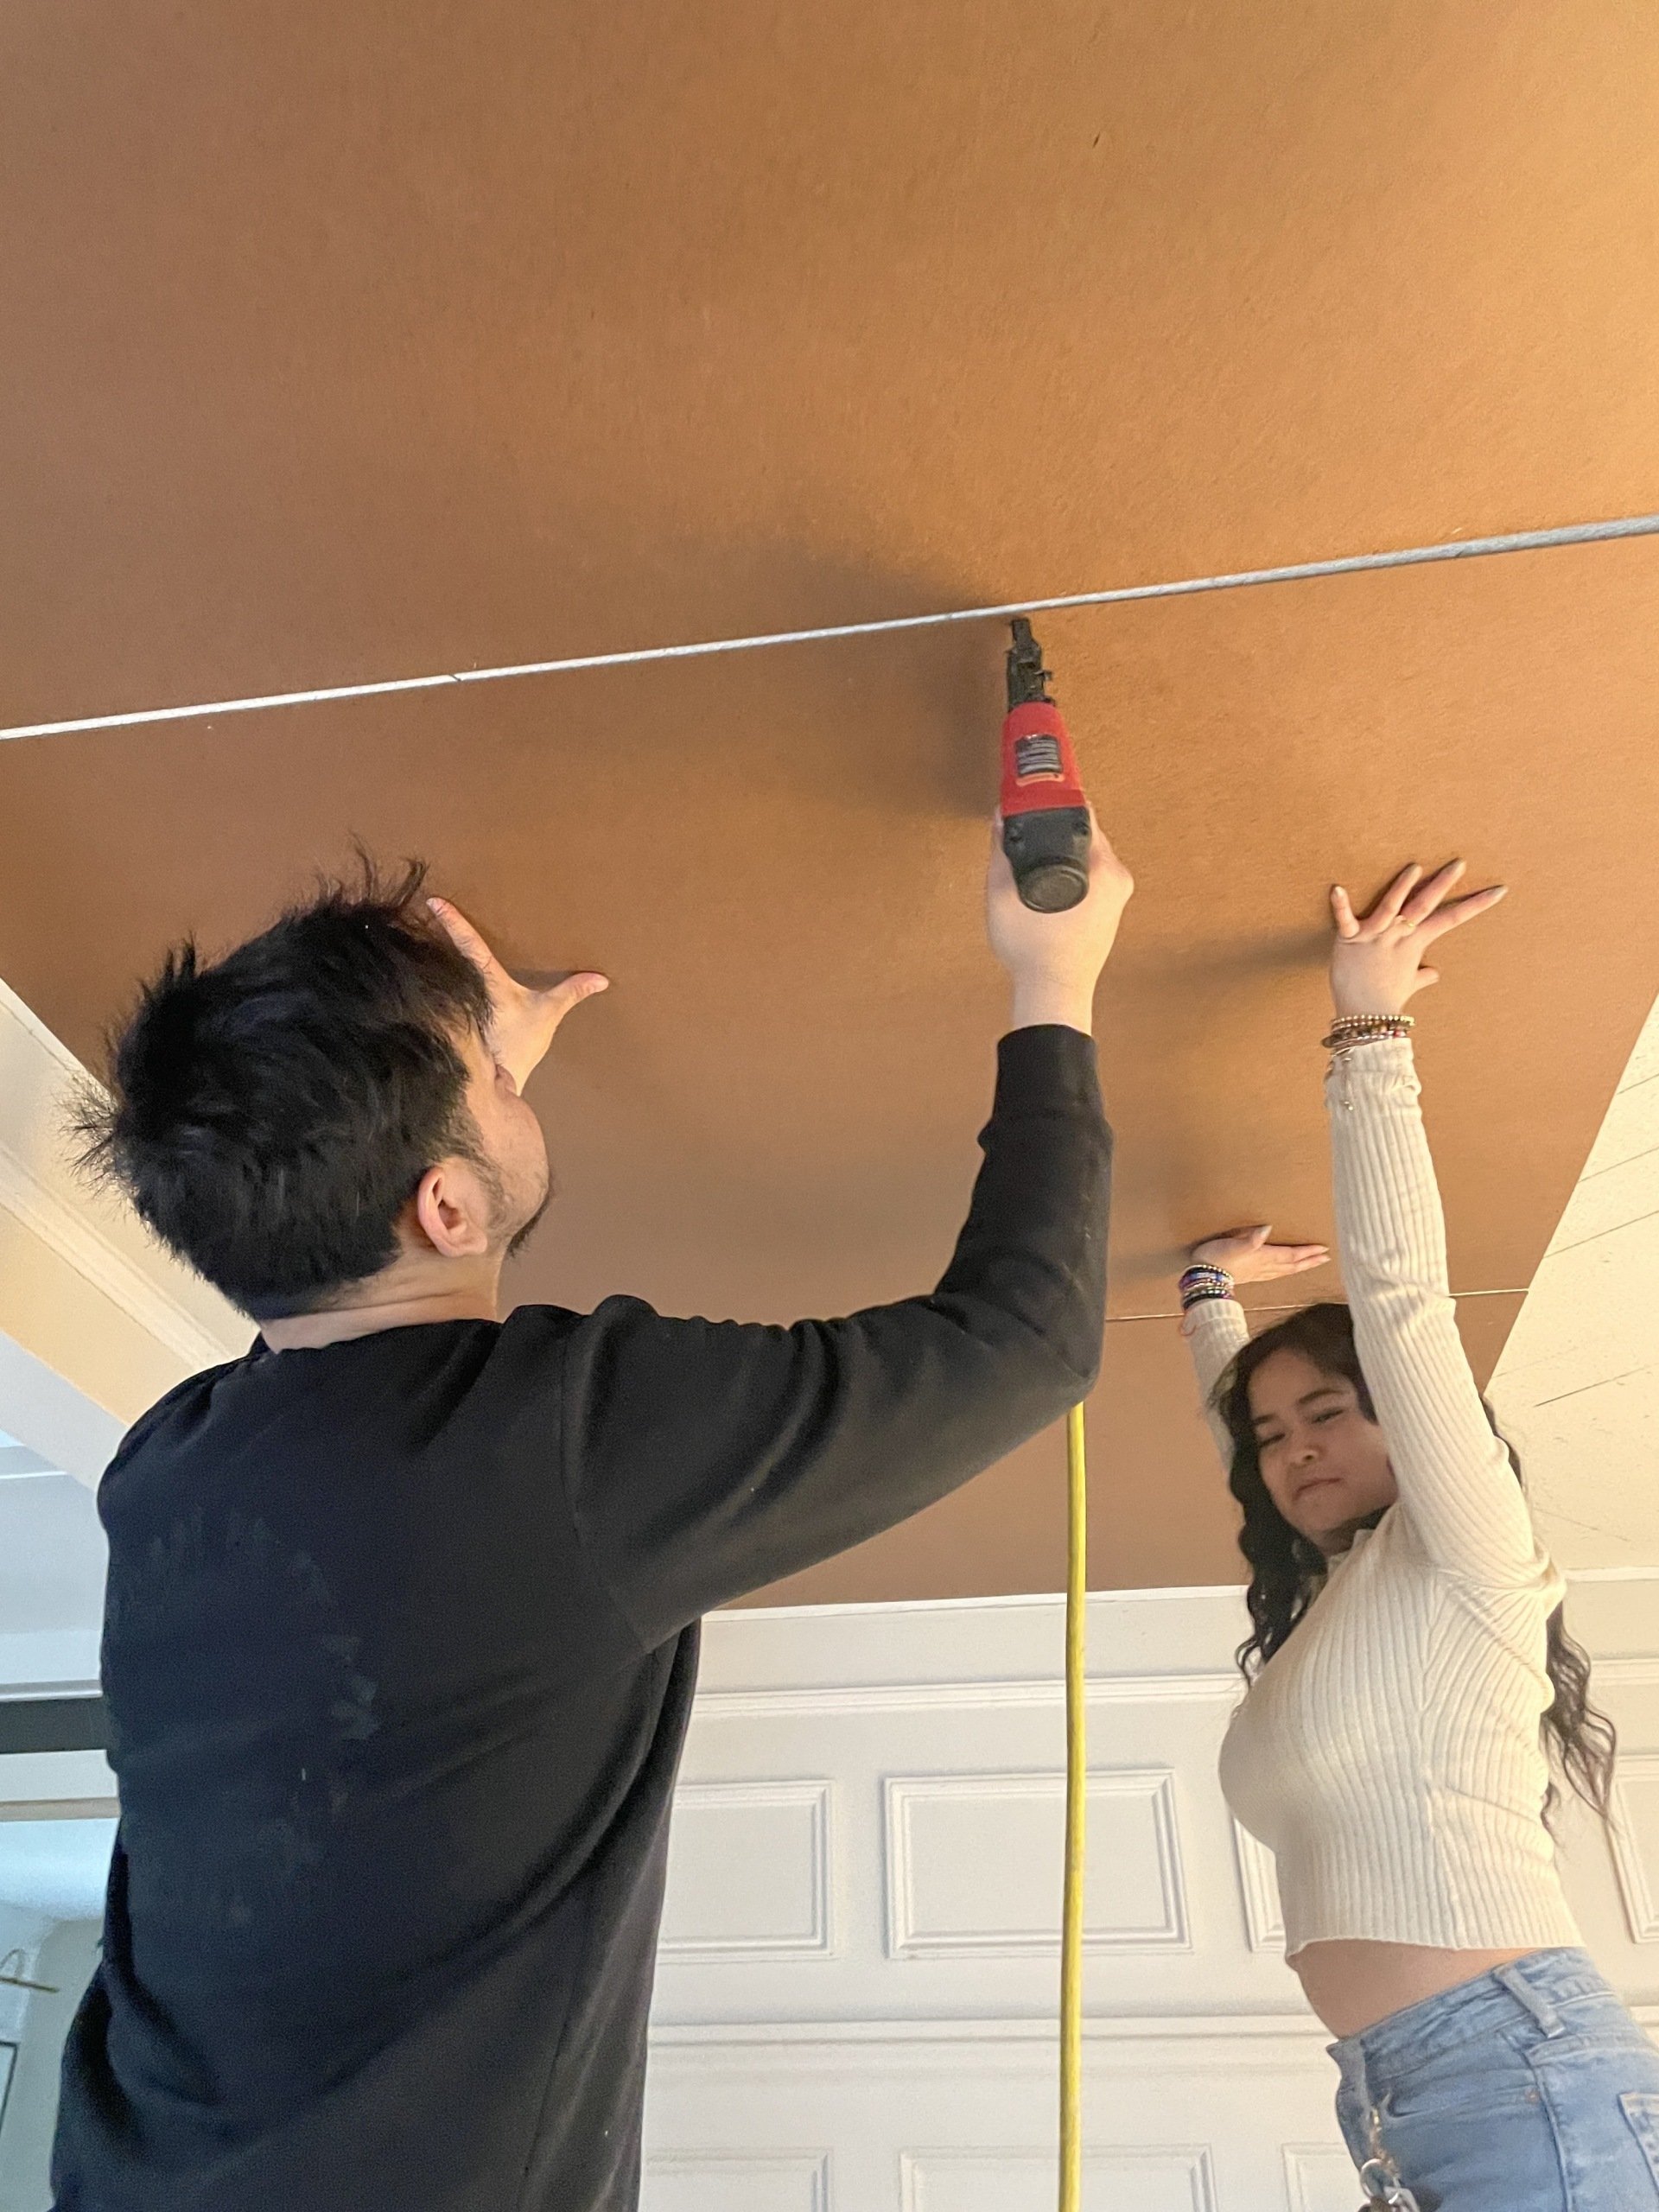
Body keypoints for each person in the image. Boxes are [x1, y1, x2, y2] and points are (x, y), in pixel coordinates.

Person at [49, 810, 1130, 2212]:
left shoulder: (184, 1468)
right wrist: (1058, 979)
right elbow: (1021, 1343)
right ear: (443, 1205)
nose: (513, 1085)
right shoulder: (523, 1441)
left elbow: (1033, 1345)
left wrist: (461, 1127)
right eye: (492, 1086)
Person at [1180, 860, 1659, 2209]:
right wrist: (1206, 1294)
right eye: (1273, 1437)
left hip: (1510, 2073)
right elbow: (1245, 1443)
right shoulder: (1345, 1596)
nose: (1292, 1453)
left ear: (1405, 1424)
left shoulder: (1469, 1552)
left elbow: (1403, 1311)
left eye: (1325, 1417)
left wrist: (1370, 1027)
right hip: (1438, 2089)